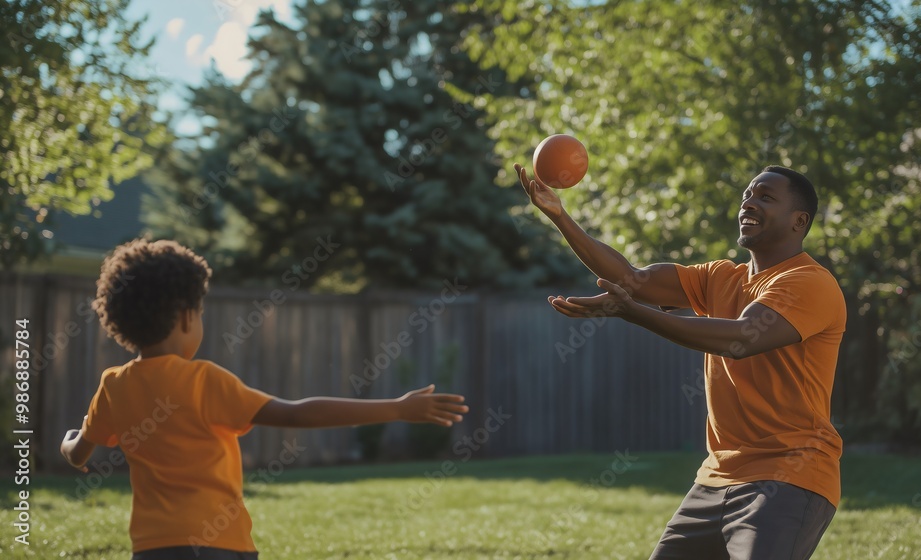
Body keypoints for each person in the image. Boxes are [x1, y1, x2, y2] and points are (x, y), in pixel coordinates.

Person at [513, 162, 845, 560]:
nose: (748, 203)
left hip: (789, 475)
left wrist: (634, 313)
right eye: (747, 195)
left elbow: (742, 338)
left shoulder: (809, 282)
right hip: (715, 478)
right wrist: (560, 217)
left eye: (765, 197)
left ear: (799, 221)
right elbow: (631, 278)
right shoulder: (721, 277)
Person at [60, 239, 468, 560]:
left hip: (152, 549)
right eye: (200, 312)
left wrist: (69, 437)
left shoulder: (113, 386)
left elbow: (79, 454)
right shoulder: (203, 379)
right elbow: (296, 413)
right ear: (186, 316)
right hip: (222, 544)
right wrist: (396, 407)